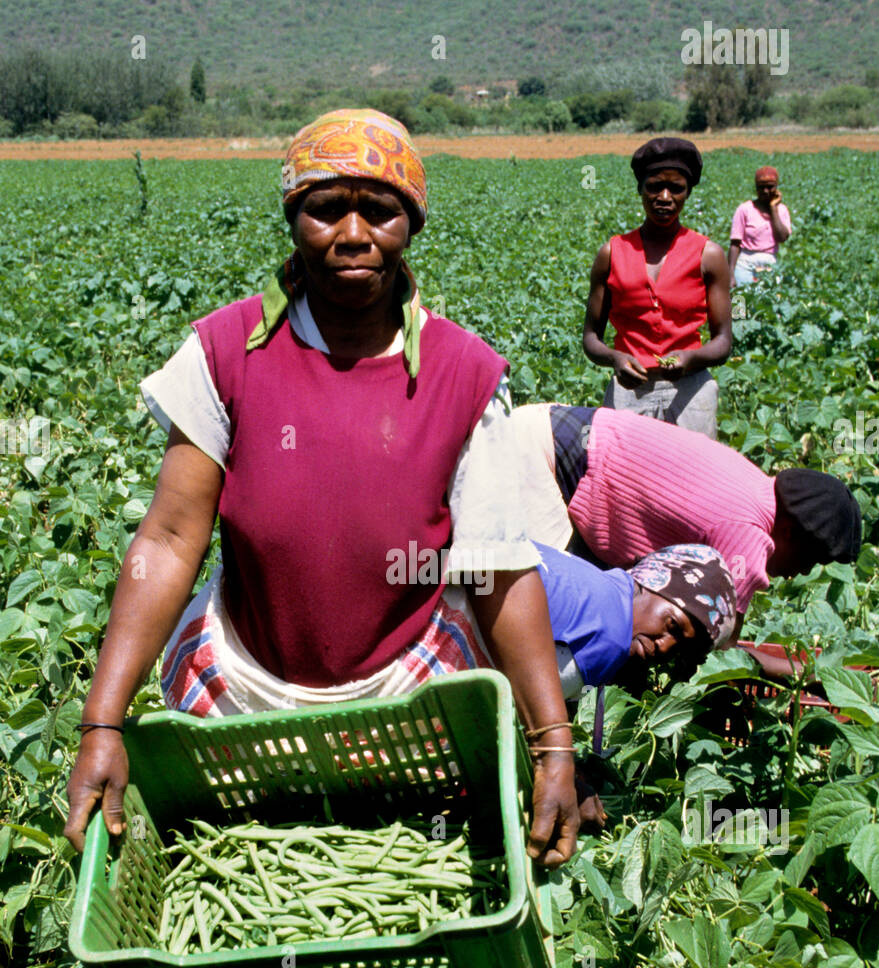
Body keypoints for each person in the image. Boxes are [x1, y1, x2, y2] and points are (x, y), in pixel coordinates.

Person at [63, 109, 580, 869]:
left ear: (411, 223)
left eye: (380, 210)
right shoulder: (225, 352)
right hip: (241, 683)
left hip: (412, 684)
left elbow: (499, 570)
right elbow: (171, 540)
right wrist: (101, 724)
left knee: (411, 867)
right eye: (324, 208)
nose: (352, 233)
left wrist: (554, 745)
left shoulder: (463, 373)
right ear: (292, 219)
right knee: (242, 864)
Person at [513, 403, 862, 678]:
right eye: (809, 559)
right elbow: (721, 660)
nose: (801, 573)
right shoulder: (750, 534)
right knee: (542, 627)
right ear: (788, 531)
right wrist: (808, 673)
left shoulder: (756, 488)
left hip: (551, 428)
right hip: (546, 460)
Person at [537, 539, 737, 830]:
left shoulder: (594, 580)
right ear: (650, 581)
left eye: (679, 648)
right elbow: (510, 708)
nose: (665, 647)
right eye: (672, 626)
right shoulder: (610, 635)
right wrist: (562, 780)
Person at [582, 136, 732, 439]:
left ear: (688, 192)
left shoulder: (709, 255)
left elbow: (724, 341)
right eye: (654, 186)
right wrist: (615, 357)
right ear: (640, 189)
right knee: (625, 479)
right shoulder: (612, 253)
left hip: (690, 391)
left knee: (693, 479)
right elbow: (590, 338)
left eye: (676, 188)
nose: (664, 197)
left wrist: (690, 358)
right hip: (629, 391)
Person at [728, 166, 791, 288]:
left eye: (770, 186)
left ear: (776, 187)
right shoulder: (744, 209)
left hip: (770, 265)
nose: (766, 191)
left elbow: (782, 237)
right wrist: (730, 274)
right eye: (761, 187)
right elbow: (735, 244)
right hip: (745, 265)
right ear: (756, 188)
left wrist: (773, 208)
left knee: (768, 305)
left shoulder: (782, 210)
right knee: (740, 304)